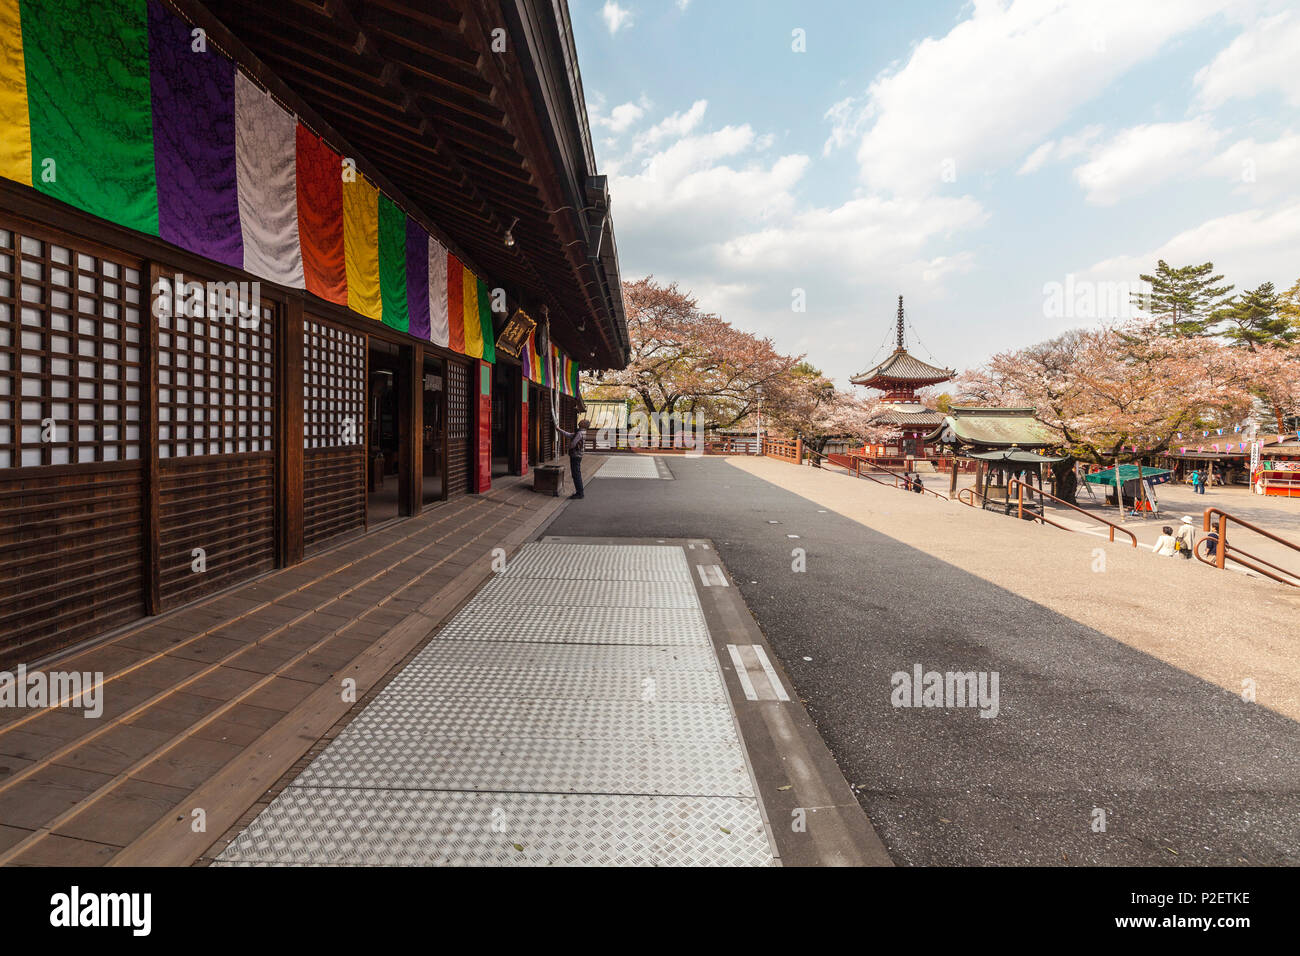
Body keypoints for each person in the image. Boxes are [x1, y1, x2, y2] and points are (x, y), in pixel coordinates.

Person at [554, 415, 589, 499]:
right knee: (576, 473)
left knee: (576, 474)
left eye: (583, 421)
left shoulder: (580, 433)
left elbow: (573, 443)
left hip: (576, 455)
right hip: (578, 455)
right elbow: (569, 434)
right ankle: (579, 492)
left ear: (584, 425)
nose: (580, 421)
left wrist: (568, 447)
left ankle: (580, 493)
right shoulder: (581, 432)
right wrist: (559, 429)